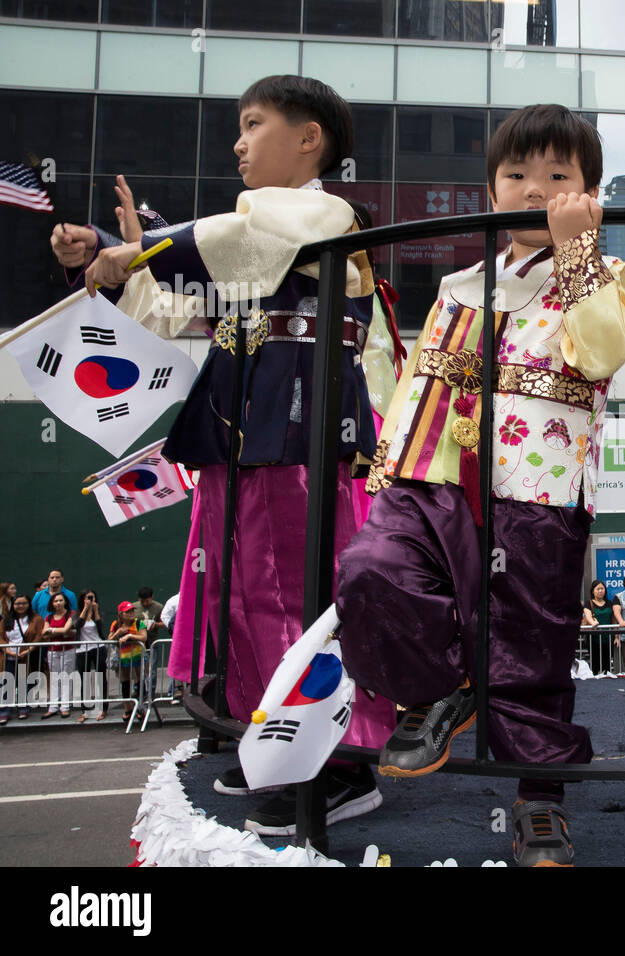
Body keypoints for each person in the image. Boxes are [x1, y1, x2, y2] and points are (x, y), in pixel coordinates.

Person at [332, 103, 625, 867]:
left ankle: (539, 803)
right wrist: (386, 461)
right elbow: (412, 380)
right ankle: (438, 691)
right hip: (428, 478)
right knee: (370, 572)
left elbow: (603, 352)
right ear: (492, 186)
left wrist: (577, 251)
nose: (535, 187)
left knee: (529, 651)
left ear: (589, 191)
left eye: (558, 176)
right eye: (517, 174)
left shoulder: (602, 273)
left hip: (535, 489)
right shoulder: (460, 282)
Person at [83, 75, 396, 832]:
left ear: (309, 138)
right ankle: (281, 753)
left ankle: (344, 764)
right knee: (247, 596)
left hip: (300, 427)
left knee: (301, 594)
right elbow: (160, 312)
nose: (238, 142)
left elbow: (237, 239)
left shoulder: (320, 213)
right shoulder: (242, 242)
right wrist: (106, 257)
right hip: (242, 424)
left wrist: (141, 249)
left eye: (254, 124)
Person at [1, 595, 44, 724]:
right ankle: (4, 711)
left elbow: (38, 636)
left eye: (23, 603)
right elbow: (1, 637)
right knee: (6, 684)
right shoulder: (5, 620)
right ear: (13, 606)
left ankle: (23, 708)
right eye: (17, 604)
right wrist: (7, 650)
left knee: (24, 683)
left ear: (28, 604)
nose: (20, 606)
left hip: (26, 657)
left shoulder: (35, 619)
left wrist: (29, 650)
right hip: (8, 656)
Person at [43, 592, 77, 719]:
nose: (58, 603)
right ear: (52, 603)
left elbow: (65, 630)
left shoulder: (71, 615)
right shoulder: (49, 617)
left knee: (66, 677)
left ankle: (65, 706)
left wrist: (52, 631)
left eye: (60, 600)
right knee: (54, 678)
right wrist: (60, 632)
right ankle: (52, 707)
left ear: (65, 602)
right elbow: (43, 633)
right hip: (52, 650)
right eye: (55, 601)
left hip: (67, 650)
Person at [110, 602, 145, 722]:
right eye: (128, 612)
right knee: (125, 683)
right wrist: (119, 632)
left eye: (132, 611)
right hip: (122, 658)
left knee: (140, 682)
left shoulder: (139, 623)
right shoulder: (115, 625)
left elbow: (143, 637)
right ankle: (128, 708)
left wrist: (130, 636)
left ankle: (140, 708)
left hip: (137, 657)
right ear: (121, 614)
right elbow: (110, 639)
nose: (131, 614)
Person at [75, 590, 107, 721]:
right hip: (82, 649)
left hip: (98, 647)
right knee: (85, 678)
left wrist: (95, 611)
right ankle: (86, 710)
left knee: (100, 678)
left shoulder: (98, 613)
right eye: (87, 598)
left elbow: (100, 628)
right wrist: (85, 609)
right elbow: (78, 625)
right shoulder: (76, 614)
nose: (90, 600)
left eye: (92, 598)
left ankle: (103, 708)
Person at [581, 580, 622, 676]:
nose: (600, 591)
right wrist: (593, 623)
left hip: (608, 638)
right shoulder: (589, 603)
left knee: (607, 663)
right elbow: (588, 615)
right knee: (594, 663)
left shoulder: (609, 603)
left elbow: (614, 621)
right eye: (598, 589)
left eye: (602, 589)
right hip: (593, 638)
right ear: (593, 591)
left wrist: (616, 637)